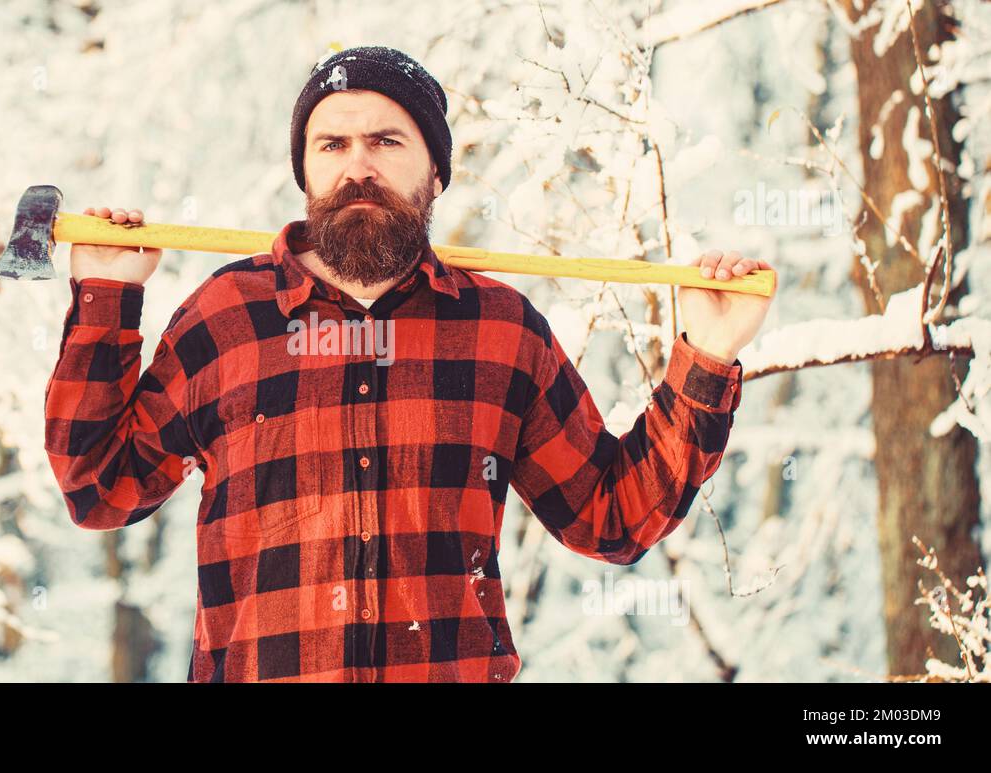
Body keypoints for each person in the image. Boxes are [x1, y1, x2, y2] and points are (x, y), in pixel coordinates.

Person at [44, 45, 777, 683]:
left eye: (385, 141)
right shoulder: (228, 320)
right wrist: (107, 297)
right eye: (331, 145)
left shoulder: (500, 331)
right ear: (303, 171)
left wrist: (706, 356)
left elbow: (612, 515)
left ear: (435, 170)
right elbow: (98, 485)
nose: (357, 166)